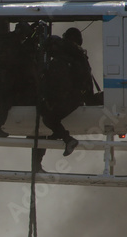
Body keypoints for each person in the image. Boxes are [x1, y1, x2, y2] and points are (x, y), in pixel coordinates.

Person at [39, 28, 92, 156]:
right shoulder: (76, 56)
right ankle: (58, 133)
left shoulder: (60, 61)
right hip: (78, 95)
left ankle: (68, 140)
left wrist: (50, 100)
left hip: (71, 97)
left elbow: (59, 85)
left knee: (48, 118)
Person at [0, 22, 38, 137]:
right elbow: (18, 58)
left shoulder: (8, 40)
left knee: (9, 102)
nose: (24, 38)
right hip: (8, 78)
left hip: (8, 77)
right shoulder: (12, 42)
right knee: (7, 103)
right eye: (24, 35)